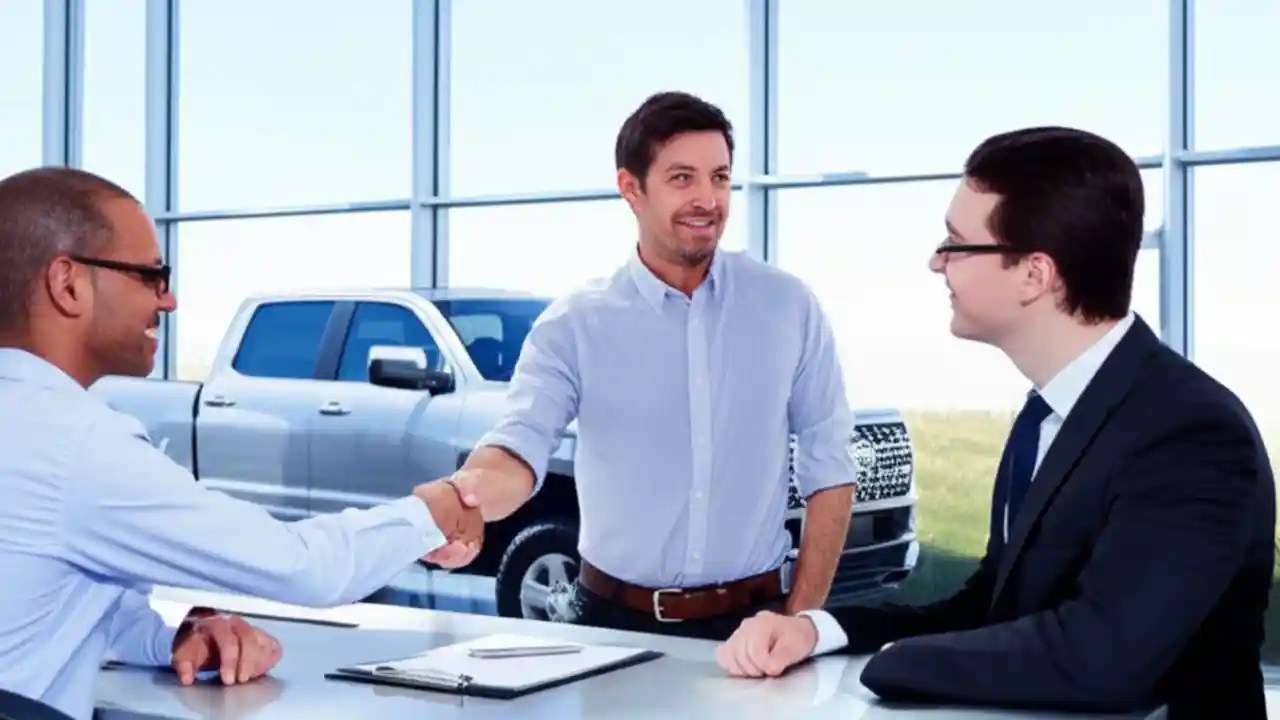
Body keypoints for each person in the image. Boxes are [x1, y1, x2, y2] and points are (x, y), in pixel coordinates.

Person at [715, 126, 1275, 718]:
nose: (937, 262)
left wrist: (887, 663)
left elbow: (1102, 658)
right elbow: (991, 608)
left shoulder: (1190, 434)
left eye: (956, 244)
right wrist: (819, 630)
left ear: (1034, 275)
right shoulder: (1044, 417)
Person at [0, 166, 482, 720]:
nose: (169, 300)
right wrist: (437, 509)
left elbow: (45, 603)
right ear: (68, 283)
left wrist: (172, 638)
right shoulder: (74, 442)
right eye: (152, 274)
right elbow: (306, 567)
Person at [443, 90, 858, 641]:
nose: (707, 199)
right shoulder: (575, 324)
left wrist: (800, 621)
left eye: (719, 176)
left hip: (756, 623)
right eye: (682, 178)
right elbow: (520, 443)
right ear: (631, 189)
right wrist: (464, 498)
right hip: (611, 624)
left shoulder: (788, 307)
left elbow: (829, 468)